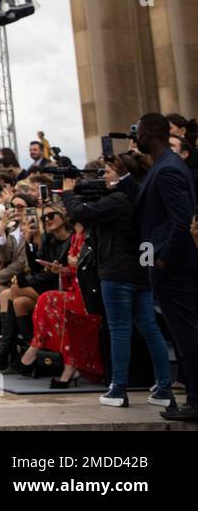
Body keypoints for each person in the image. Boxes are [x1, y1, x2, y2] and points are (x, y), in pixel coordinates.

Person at [64, 156, 174, 409]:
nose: (104, 176)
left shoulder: (117, 200)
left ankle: (118, 388)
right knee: (150, 329)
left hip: (116, 273)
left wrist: (69, 194)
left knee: (119, 329)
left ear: (123, 174)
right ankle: (164, 387)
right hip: (140, 272)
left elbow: (81, 213)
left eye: (109, 171)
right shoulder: (145, 198)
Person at [119, 112, 198, 421]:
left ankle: (195, 400)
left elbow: (180, 221)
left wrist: (162, 260)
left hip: (174, 267)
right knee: (179, 334)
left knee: (185, 333)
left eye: (138, 130)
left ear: (151, 132)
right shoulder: (160, 167)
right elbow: (151, 215)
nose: (134, 135)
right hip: (160, 261)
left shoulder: (168, 169)